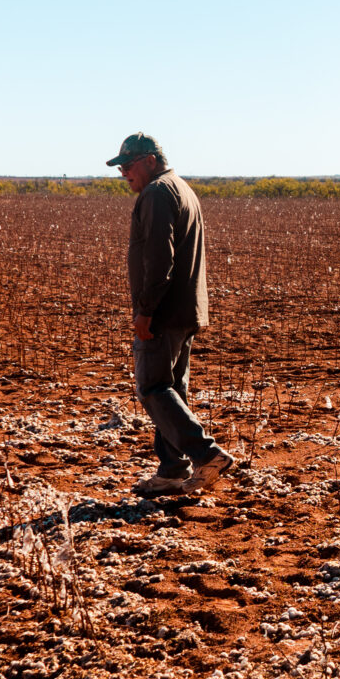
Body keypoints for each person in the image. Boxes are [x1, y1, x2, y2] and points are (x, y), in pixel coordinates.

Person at [106, 133, 237, 497]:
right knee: (172, 388)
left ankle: (206, 455)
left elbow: (160, 259)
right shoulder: (181, 188)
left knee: (153, 387)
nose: (124, 174)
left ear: (149, 160)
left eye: (128, 166)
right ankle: (172, 470)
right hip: (186, 308)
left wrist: (145, 311)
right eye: (121, 169)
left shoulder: (157, 193)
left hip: (163, 311)